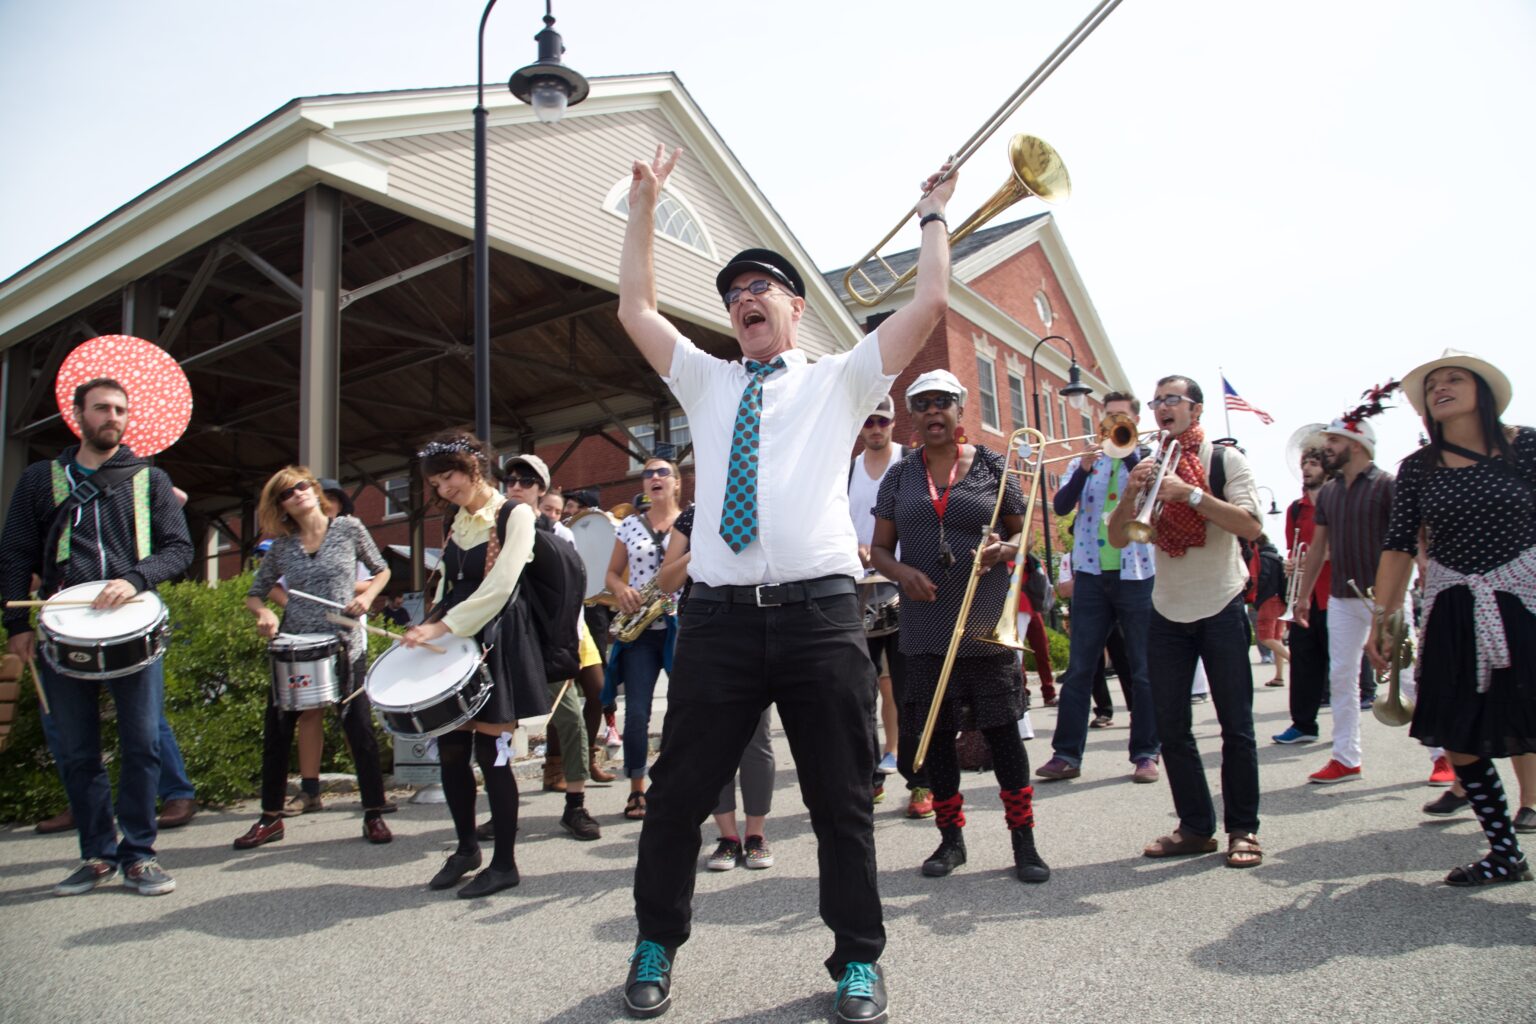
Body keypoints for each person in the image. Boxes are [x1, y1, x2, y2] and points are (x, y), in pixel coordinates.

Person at [613, 144, 955, 1023]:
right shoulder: (706, 379)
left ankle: (859, 961)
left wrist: (933, 216)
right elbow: (636, 306)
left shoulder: (841, 378)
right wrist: (647, 207)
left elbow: (929, 304)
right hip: (720, 621)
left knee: (841, 798)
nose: (744, 299)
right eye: (733, 293)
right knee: (678, 796)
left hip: (819, 615)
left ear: (795, 308)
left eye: (761, 286)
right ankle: (656, 941)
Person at [1, 377, 193, 896]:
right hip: (61, 630)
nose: (113, 417)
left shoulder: (150, 480)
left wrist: (134, 579)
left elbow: (179, 549)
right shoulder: (40, 479)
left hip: (132, 626)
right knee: (77, 750)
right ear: (78, 414)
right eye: (103, 408)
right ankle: (95, 855)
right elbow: (16, 552)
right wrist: (16, 626)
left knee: (143, 743)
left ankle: (139, 854)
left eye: (121, 410)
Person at [869, 368, 1050, 886]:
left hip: (984, 625)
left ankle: (1025, 843)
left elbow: (1025, 538)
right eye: (922, 404)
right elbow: (880, 549)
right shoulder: (900, 477)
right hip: (925, 631)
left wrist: (1003, 551)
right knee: (938, 738)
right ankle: (951, 841)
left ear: (960, 409)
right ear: (913, 415)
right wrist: (902, 573)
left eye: (942, 402)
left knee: (1004, 738)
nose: (932, 412)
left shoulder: (993, 465)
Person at [1370, 351, 1534, 886]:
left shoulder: (1526, 446)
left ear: (1481, 390)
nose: (1440, 388)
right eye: (1431, 385)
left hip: (1525, 599)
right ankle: (1503, 851)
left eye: (1453, 379)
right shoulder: (1417, 468)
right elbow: (1397, 547)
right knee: (1459, 731)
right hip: (1454, 608)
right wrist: (1383, 620)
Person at [1108, 375, 1264, 869]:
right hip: (1167, 609)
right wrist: (1133, 493)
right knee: (1172, 727)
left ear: (1195, 411)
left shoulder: (1223, 460)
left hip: (1220, 601)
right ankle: (1196, 827)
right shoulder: (1150, 466)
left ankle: (1243, 829)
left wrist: (1191, 495)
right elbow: (1117, 539)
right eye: (1156, 402)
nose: (1161, 409)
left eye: (1171, 400)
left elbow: (1251, 525)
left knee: (1235, 726)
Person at [402, 432, 550, 898]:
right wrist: (426, 623)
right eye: (437, 483)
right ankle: (466, 848)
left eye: (450, 477)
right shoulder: (456, 521)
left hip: (498, 639)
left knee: (494, 756)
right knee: (450, 751)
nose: (444, 488)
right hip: (455, 640)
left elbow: (503, 583)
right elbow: (446, 584)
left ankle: (505, 862)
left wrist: (444, 628)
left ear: (473, 469)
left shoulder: (515, 513)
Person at [236, 467, 393, 849]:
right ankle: (269, 818)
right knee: (277, 732)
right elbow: (256, 593)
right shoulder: (283, 546)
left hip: (343, 643)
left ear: (315, 489)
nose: (297, 494)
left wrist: (368, 598)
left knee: (359, 729)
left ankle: (373, 812)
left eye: (301, 486)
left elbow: (382, 569)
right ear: (281, 506)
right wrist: (265, 613)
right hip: (294, 647)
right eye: (287, 493)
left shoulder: (349, 528)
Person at [1037, 391, 1160, 784]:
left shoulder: (1149, 460)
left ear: (1136, 421)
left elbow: (1154, 501)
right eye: (1108, 418)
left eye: (1120, 418)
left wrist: (1129, 455)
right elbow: (1060, 508)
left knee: (1142, 670)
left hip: (1137, 572)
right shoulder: (1085, 461)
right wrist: (1081, 470)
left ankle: (1145, 753)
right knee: (1079, 669)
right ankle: (1066, 754)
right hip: (1090, 573)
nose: (1112, 425)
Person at [656, 505, 778, 870]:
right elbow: (666, 582)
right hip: (706, 631)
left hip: (757, 627)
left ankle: (756, 834)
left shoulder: (764, 501)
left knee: (757, 739)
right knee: (710, 740)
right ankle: (727, 836)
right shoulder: (694, 517)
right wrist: (704, 544)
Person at [503, 453, 605, 836]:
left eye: (526, 480)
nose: (515, 485)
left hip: (549, 642)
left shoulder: (558, 534)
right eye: (510, 478)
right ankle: (502, 807)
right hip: (505, 641)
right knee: (499, 728)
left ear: (540, 489)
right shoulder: (492, 527)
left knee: (571, 718)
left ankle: (575, 804)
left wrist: (571, 642)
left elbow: (571, 593)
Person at [1291, 413, 1395, 784]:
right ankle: (1346, 758)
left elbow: (1408, 546)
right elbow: (1318, 548)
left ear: (1355, 444)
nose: (1326, 449)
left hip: (1388, 598)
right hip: (1341, 598)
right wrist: (1303, 597)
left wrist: (1392, 601)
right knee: (1342, 677)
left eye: (1333, 442)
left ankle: (1442, 757)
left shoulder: (1387, 485)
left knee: (1409, 676)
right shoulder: (1331, 493)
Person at [849, 394, 932, 818]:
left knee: (908, 692)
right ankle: (868, 780)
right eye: (868, 421)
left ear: (893, 421)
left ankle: (919, 782)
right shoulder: (844, 471)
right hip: (855, 597)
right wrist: (852, 546)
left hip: (903, 592)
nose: (875, 428)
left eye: (881, 420)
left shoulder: (911, 462)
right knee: (859, 696)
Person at [604, 456, 684, 821]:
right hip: (640, 629)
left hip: (680, 626)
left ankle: (672, 782)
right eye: (648, 473)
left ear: (676, 482)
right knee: (636, 714)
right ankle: (637, 788)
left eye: (661, 472)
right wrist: (621, 589)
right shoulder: (629, 526)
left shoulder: (689, 522)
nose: (653, 477)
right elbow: (611, 574)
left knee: (685, 711)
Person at [1273, 442, 1335, 744]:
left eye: (1313, 462)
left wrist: (1314, 557)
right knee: (1303, 663)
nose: (1306, 468)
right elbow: (1294, 549)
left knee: (1341, 667)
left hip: (1335, 593)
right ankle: (1303, 724)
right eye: (1304, 463)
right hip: (1304, 600)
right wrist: (1292, 565)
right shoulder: (1295, 509)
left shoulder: (1339, 502)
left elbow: (1346, 547)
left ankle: (1347, 734)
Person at [1249, 534, 1287, 686]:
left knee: (1265, 637)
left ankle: (1296, 663)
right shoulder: (1277, 556)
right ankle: (1279, 677)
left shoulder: (1262, 558)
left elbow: (1261, 579)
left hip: (1268, 600)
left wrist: (1254, 594)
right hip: (1281, 601)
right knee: (1277, 639)